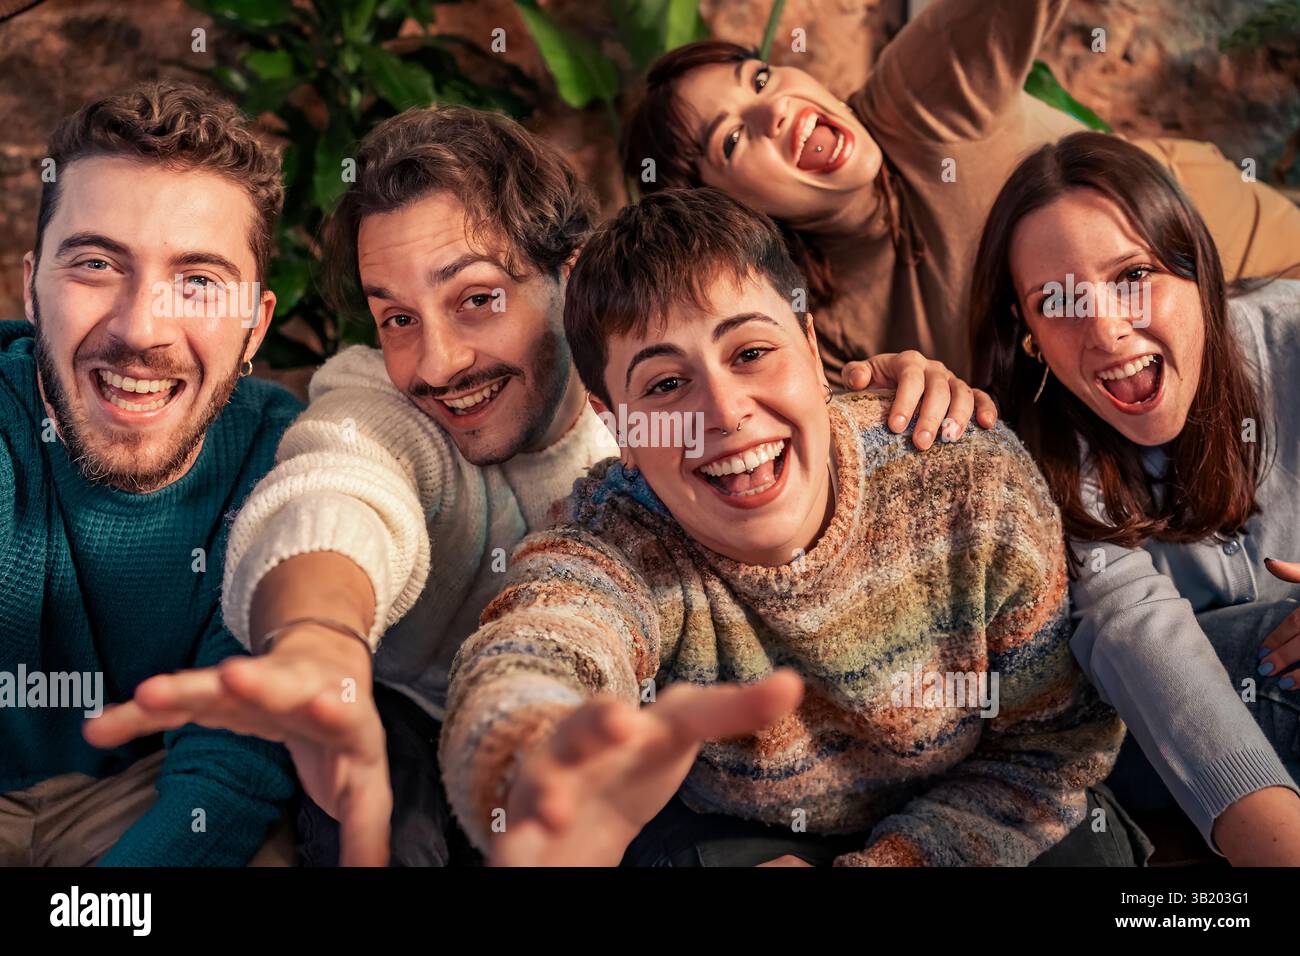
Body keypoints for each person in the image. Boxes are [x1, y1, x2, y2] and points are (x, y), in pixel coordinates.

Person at [88, 106, 990, 866]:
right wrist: (319, 636)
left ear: (570, 278)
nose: (436, 361)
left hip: (612, 737)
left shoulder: (656, 412)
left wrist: (891, 401)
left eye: (476, 298)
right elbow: (336, 486)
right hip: (400, 724)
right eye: (397, 316)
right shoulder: (376, 399)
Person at [438, 187, 1133, 867]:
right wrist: (524, 746)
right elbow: (549, 632)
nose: (725, 413)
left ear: (808, 342)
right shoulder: (614, 536)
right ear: (616, 422)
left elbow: (1049, 747)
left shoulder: (968, 479)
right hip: (741, 825)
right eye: (665, 385)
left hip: (966, 800)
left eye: (749, 354)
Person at [621, 0, 1300, 383]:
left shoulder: (917, 98)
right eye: (733, 140)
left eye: (761, 80)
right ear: (732, 210)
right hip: (1153, 431)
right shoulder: (809, 320)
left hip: (1266, 276)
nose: (776, 112)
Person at [969, 130, 1300, 865]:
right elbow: (1142, 642)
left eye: (1133, 275)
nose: (1108, 330)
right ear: (1027, 335)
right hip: (1153, 734)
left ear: (1197, 267)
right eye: (1056, 302)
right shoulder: (1032, 460)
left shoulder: (1291, 336)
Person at [2, 80, 299, 866]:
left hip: (146, 797)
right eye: (97, 263)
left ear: (254, 326)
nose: (141, 328)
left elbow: (231, 764)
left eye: (198, 280)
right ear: (31, 289)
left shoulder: (287, 464)